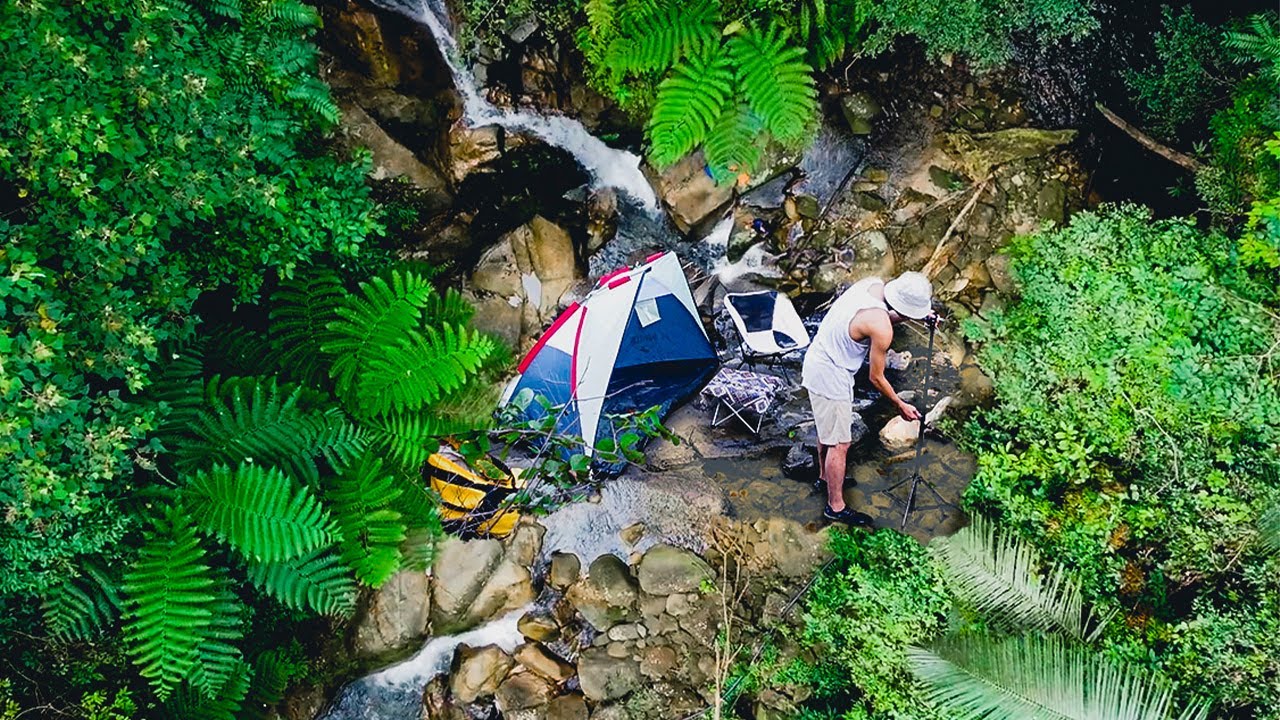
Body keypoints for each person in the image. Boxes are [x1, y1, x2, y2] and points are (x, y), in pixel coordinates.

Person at [801, 271, 935, 524]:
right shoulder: (882, 327)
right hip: (831, 374)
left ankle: (824, 478)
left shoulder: (872, 284)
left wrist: (921, 315)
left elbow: (880, 318)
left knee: (827, 432)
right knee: (840, 444)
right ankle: (836, 507)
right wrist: (900, 404)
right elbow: (876, 377)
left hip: (817, 358)